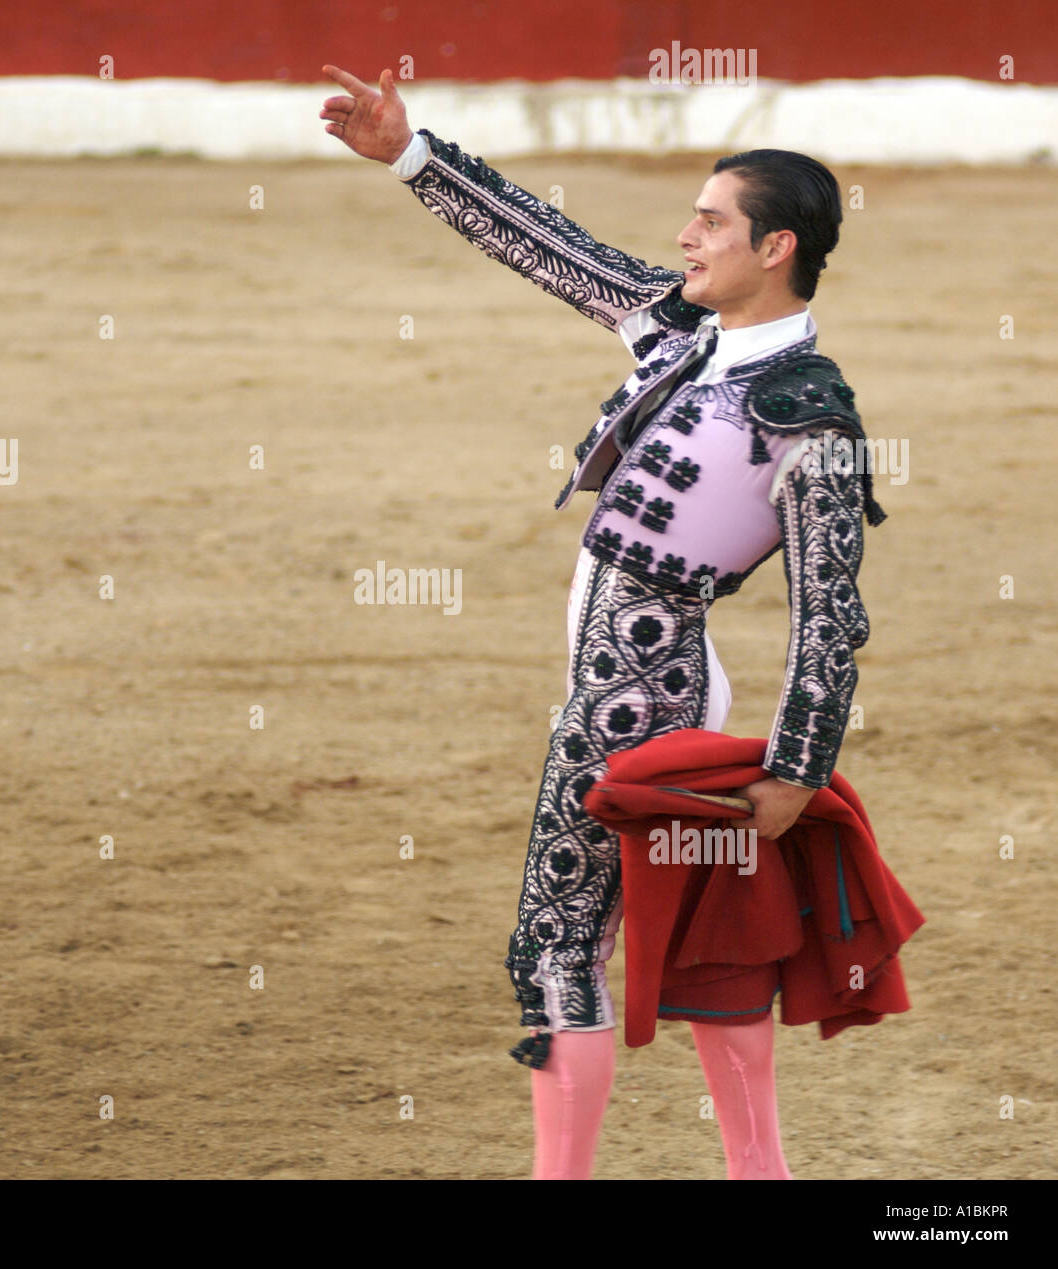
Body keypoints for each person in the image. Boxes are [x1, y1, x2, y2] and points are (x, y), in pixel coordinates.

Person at [320, 65, 887, 1180]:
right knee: (711, 949)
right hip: (642, 683)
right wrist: (409, 153)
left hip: (641, 692)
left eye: (711, 221)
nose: (686, 236)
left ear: (775, 249)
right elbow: (550, 247)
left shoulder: (810, 416)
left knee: (558, 943)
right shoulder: (685, 338)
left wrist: (796, 769)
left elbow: (831, 611)